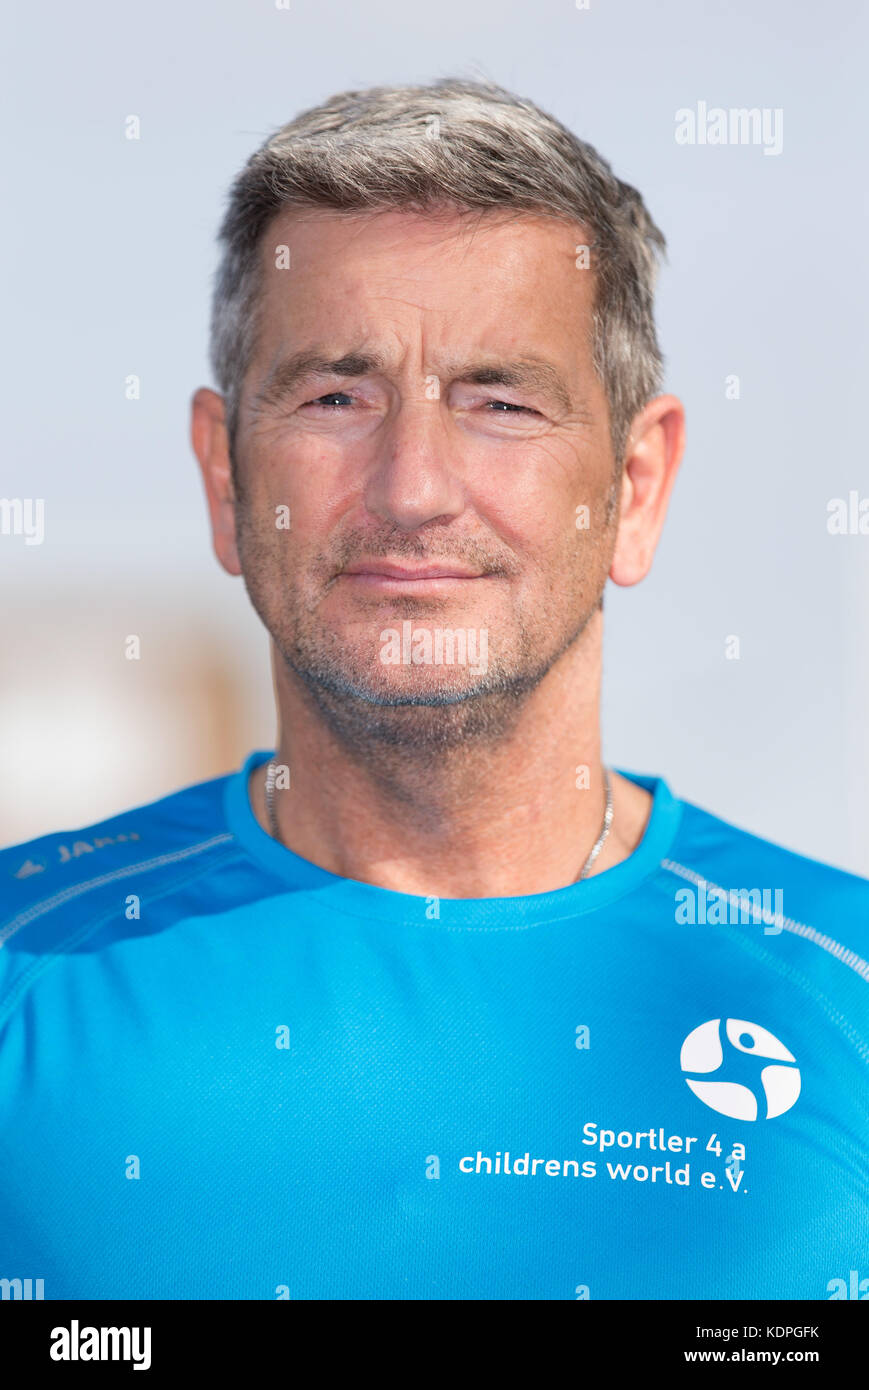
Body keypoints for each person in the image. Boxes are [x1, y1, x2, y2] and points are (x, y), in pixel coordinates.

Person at [1, 78, 866, 1302]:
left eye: (499, 402)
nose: (412, 487)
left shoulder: (840, 987)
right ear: (225, 479)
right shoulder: (25, 968)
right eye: (334, 397)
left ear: (634, 487)